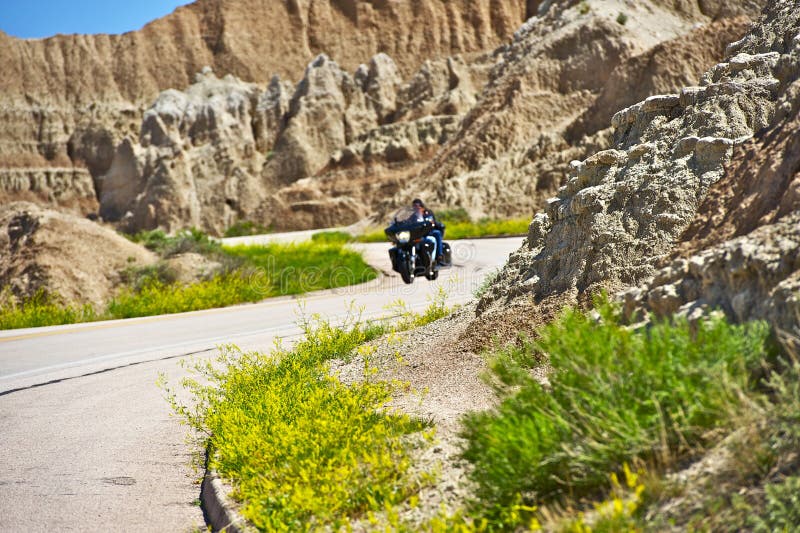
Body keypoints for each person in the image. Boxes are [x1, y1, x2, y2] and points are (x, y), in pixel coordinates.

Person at [411, 198, 445, 264]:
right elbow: (408, 222)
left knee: (437, 233)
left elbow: (432, 221)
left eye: (417, 206)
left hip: (428, 232)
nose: (416, 208)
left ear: (421, 206)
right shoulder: (413, 216)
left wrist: (431, 222)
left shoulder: (428, 213)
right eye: (414, 207)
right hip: (418, 234)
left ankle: (439, 256)